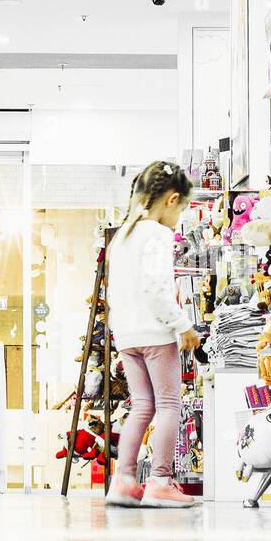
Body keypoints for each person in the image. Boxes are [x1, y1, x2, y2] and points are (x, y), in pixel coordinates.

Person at [105, 161, 200, 509]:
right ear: (172, 200)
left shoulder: (124, 236)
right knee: (169, 405)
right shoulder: (158, 235)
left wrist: (121, 332)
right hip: (156, 333)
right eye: (185, 207)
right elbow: (158, 290)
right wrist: (182, 325)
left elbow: (114, 291)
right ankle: (161, 481)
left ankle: (124, 481)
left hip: (127, 335)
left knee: (141, 406)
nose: (181, 216)